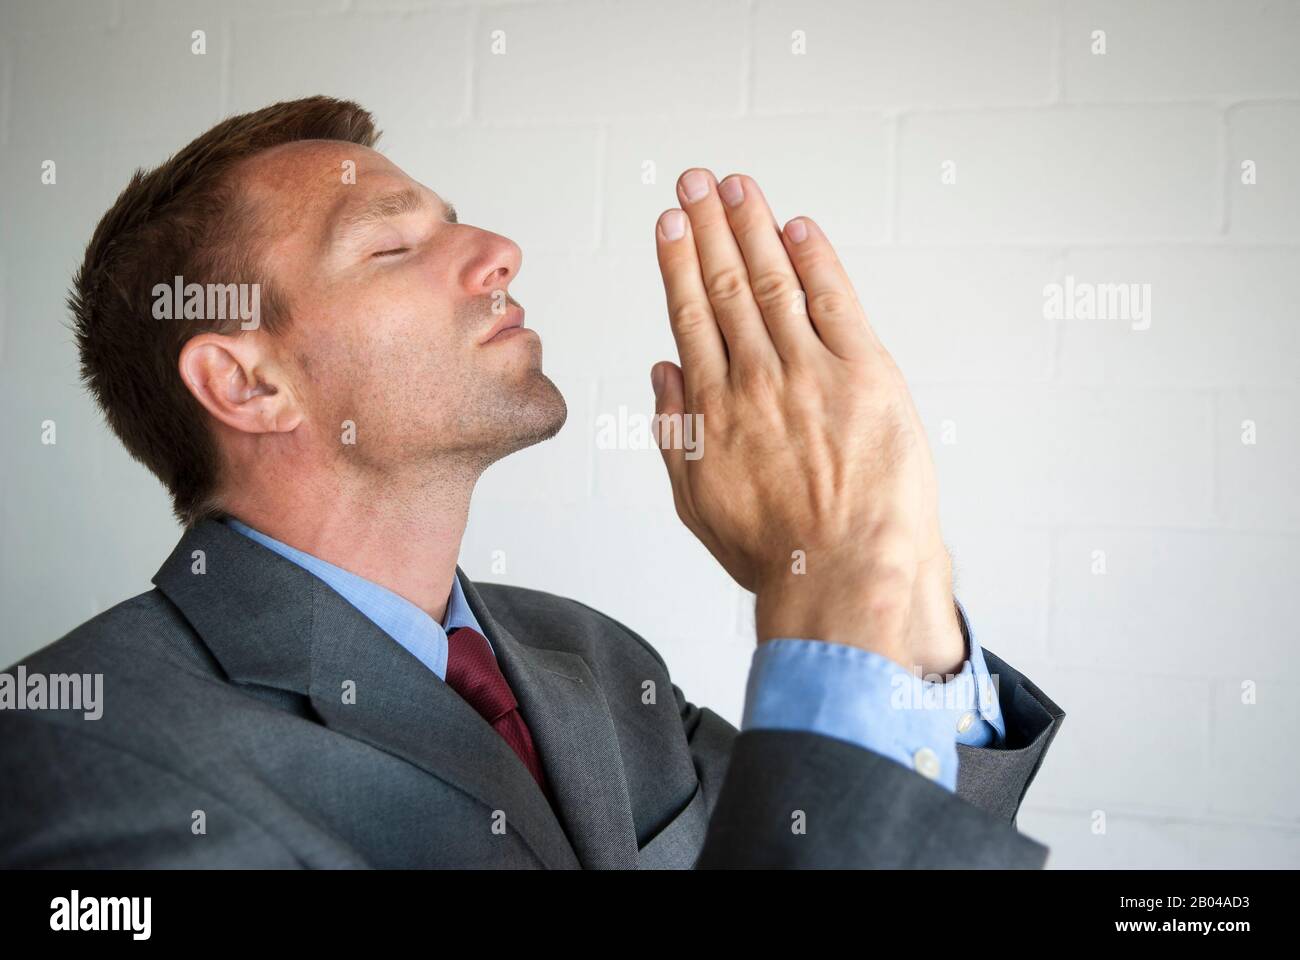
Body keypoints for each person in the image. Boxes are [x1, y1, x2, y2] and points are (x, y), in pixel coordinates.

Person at [0, 97, 1063, 868]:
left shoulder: (595, 660)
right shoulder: (76, 752)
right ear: (246, 379)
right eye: (388, 246)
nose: (499, 250)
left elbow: (838, 825)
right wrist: (834, 581)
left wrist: (896, 574)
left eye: (455, 218)